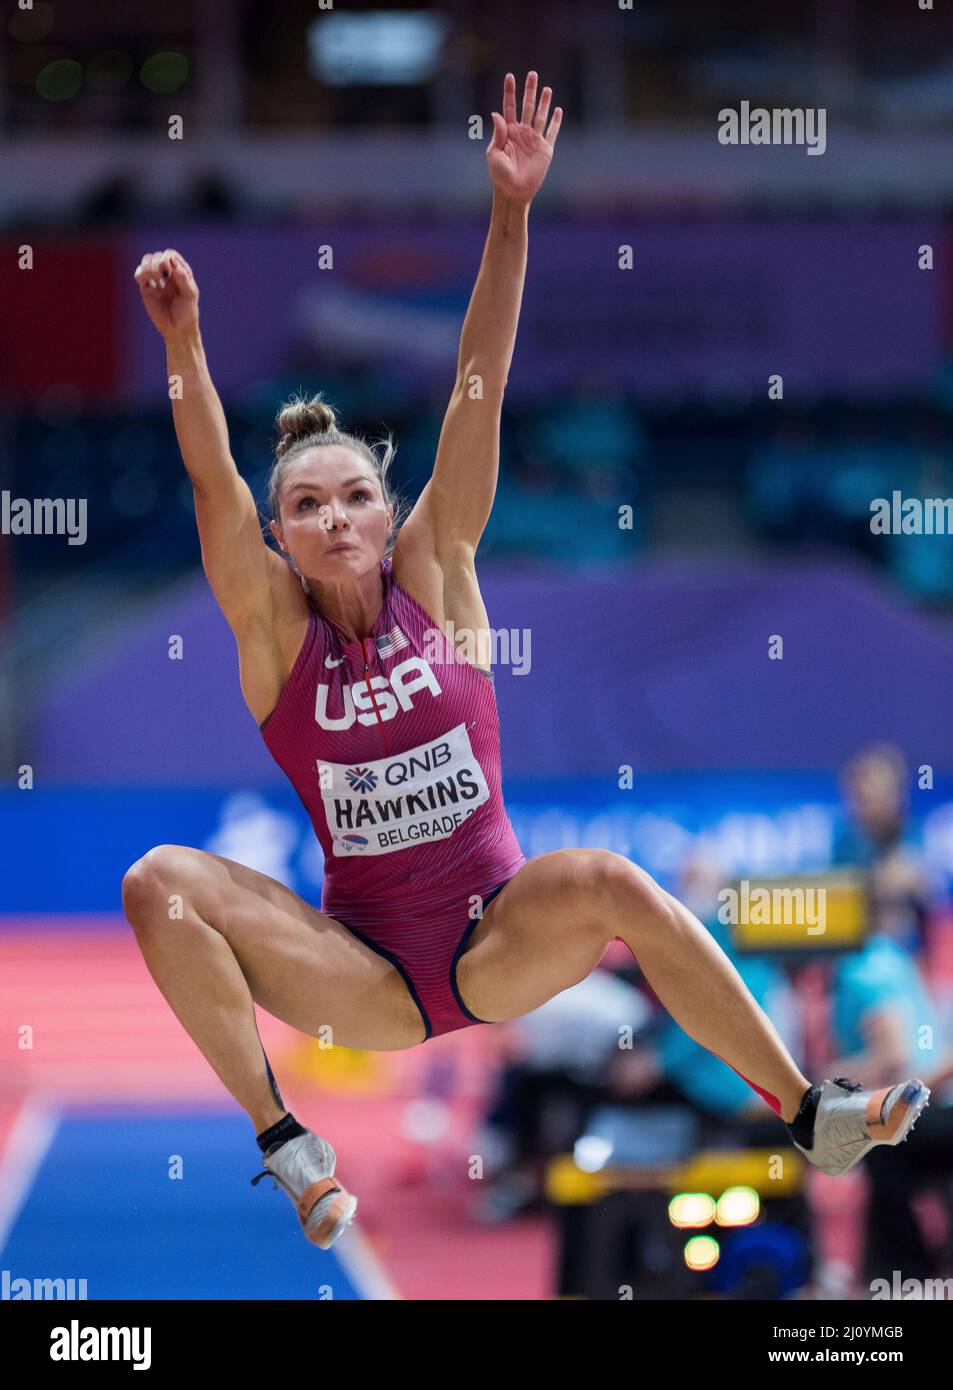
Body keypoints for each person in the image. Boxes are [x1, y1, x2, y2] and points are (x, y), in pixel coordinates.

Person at [123, 70, 929, 1253]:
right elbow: (210, 481)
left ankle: (810, 1107)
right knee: (156, 881)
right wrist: (184, 344)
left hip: (496, 939)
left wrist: (509, 214)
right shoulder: (273, 631)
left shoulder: (436, 569)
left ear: (385, 505)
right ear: (280, 533)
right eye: (307, 504)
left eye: (355, 494)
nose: (337, 516)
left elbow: (477, 387)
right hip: (362, 974)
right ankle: (283, 1141)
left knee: (609, 879)